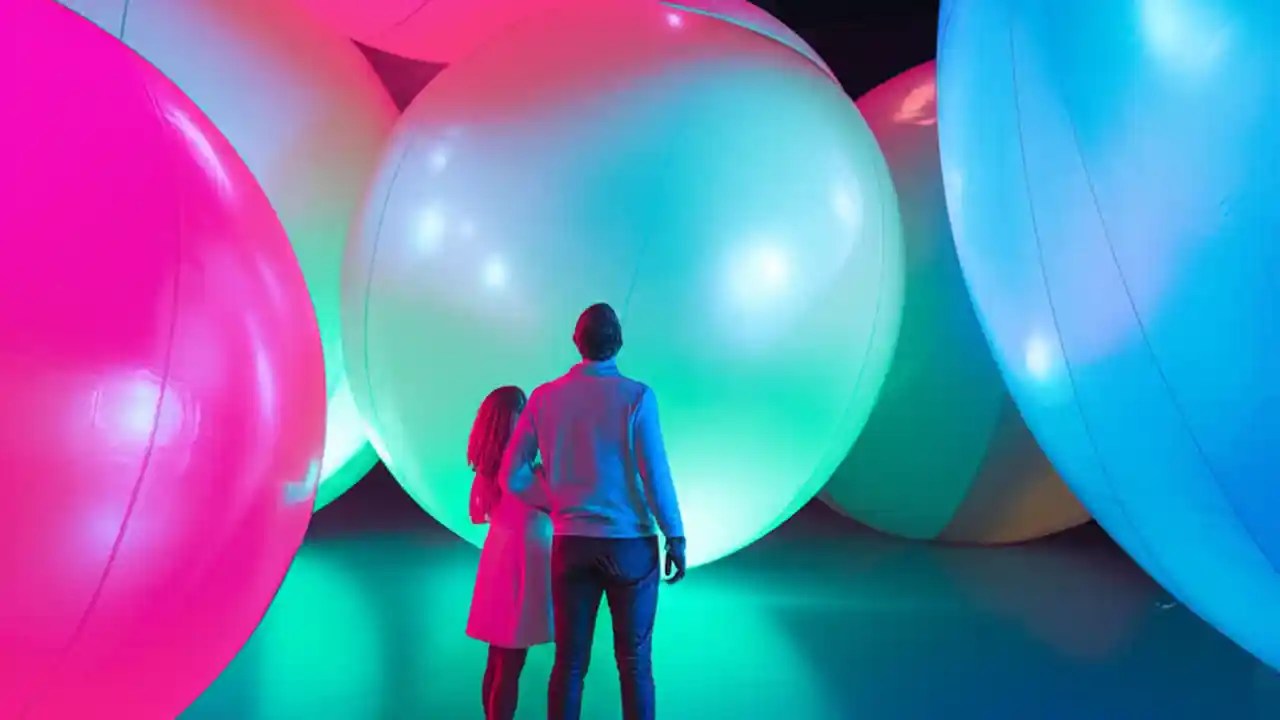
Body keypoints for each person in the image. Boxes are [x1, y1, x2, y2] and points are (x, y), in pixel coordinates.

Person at [498, 303, 687, 720]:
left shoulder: (546, 397)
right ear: (619, 341)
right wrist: (675, 535)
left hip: (571, 544)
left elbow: (511, 475)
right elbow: (654, 473)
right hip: (631, 545)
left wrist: (555, 502)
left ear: (575, 342)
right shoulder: (638, 397)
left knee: (569, 664)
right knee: (635, 665)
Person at [465, 386, 553, 720]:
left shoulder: (491, 464)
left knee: (498, 655)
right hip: (521, 561)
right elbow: (552, 501)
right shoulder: (518, 470)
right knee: (511, 661)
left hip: (500, 556)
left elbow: (477, 514)